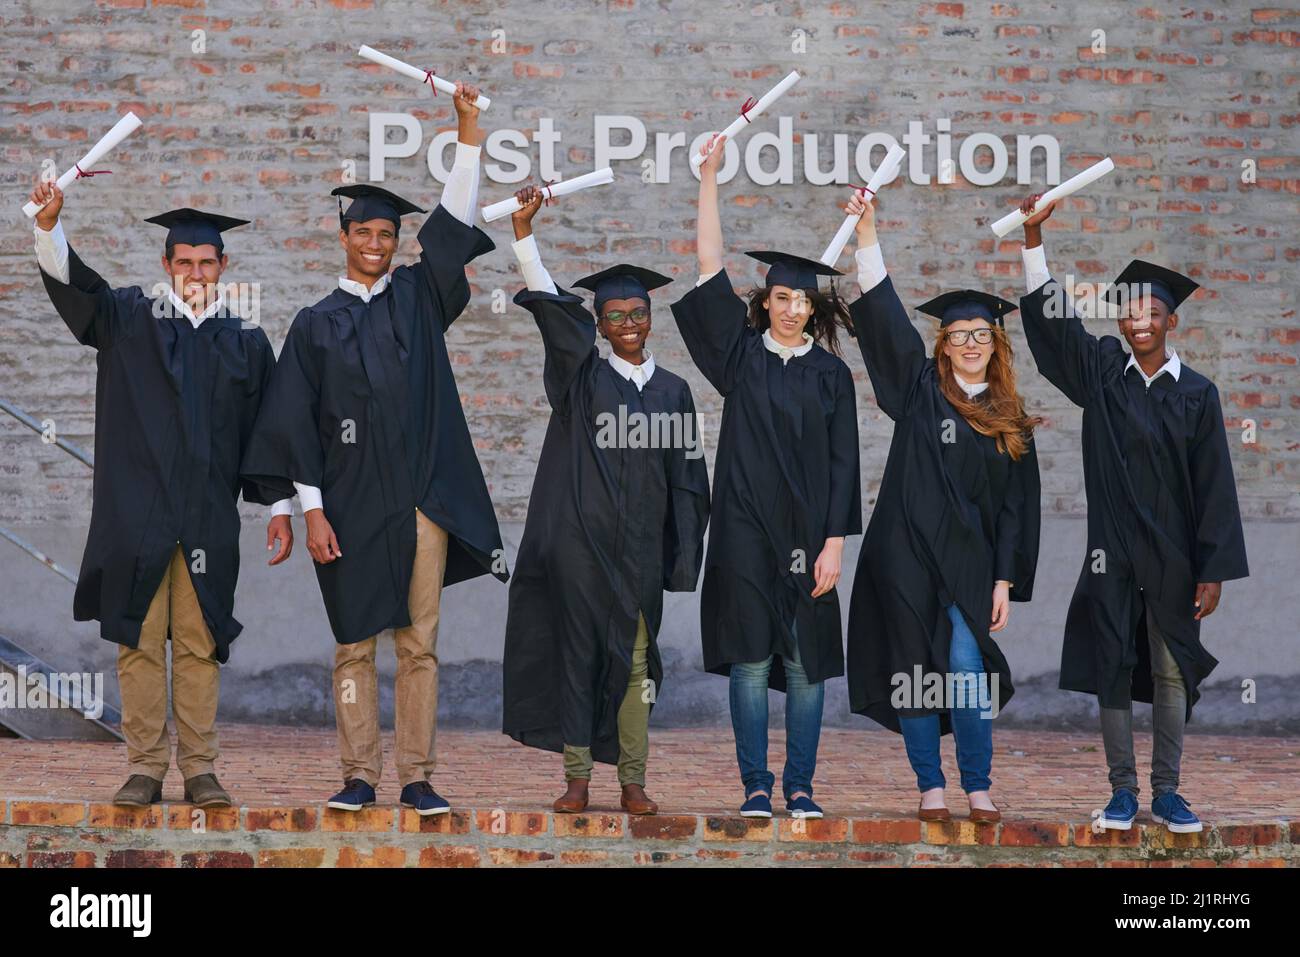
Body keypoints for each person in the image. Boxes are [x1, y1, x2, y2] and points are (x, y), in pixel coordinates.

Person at [241, 83, 507, 817]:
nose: (376, 244)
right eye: (364, 233)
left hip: (421, 500)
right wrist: (309, 511)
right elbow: (296, 422)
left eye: (387, 235)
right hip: (348, 510)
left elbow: (453, 221)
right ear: (344, 236)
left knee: (419, 643)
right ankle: (359, 773)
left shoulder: (419, 299)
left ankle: (417, 773)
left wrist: (467, 130)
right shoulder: (316, 323)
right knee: (354, 644)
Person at [29, 182, 294, 808]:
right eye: (184, 262)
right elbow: (76, 286)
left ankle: (200, 769)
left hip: (207, 520)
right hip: (135, 520)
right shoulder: (125, 321)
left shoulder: (246, 344)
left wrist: (280, 508)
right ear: (166, 266)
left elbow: (271, 435)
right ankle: (145, 767)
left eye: (207, 262)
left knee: (201, 645)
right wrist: (49, 226)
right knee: (139, 644)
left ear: (224, 266)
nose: (196, 272)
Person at [1015, 194, 1249, 833]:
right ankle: (1122, 792)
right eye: (1129, 311)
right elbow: (1055, 327)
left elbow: (1215, 486)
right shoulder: (1102, 374)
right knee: (1113, 663)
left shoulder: (1198, 394)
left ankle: (1169, 792)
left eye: (1152, 312)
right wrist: (1034, 239)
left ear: (1172, 321)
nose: (1138, 320)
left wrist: (1214, 568)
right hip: (1110, 551)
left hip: (1175, 556)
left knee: (1172, 670)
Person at [501, 184, 710, 816]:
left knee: (639, 669)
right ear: (600, 323)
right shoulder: (582, 380)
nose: (627, 325)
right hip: (582, 552)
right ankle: (576, 778)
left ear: (650, 317)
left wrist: (681, 557)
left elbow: (688, 480)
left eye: (637, 314)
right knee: (578, 658)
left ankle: (633, 778)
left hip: (642, 554)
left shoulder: (674, 392)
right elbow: (554, 316)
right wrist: (523, 235)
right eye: (615, 316)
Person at [670, 134, 862, 820]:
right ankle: (756, 784)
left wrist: (836, 542)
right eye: (779, 296)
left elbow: (846, 462)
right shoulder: (740, 358)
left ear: (813, 307)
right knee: (750, 659)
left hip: (811, 536)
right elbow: (707, 263)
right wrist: (710, 178)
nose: (789, 308)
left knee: (807, 664)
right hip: (745, 535)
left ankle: (800, 784)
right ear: (767, 302)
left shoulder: (832, 375)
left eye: (800, 300)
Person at [843, 190, 1041, 824]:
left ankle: (977, 786)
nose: (971, 344)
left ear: (995, 342)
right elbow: (884, 318)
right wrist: (866, 233)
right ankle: (931, 786)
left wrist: (1005, 579)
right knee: (912, 668)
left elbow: (1017, 509)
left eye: (981, 334)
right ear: (945, 345)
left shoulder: (1010, 419)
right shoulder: (919, 390)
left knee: (964, 663)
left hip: (971, 565)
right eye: (959, 336)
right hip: (904, 556)